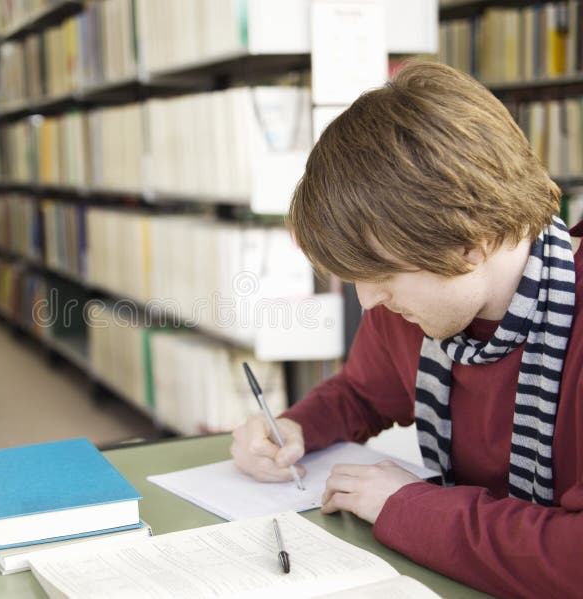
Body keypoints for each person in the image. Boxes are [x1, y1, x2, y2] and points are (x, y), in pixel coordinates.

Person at [230, 61, 583, 599]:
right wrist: (293, 428)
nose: (369, 301)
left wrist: (408, 506)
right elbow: (361, 393)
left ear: (472, 242)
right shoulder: (408, 312)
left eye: (383, 275)